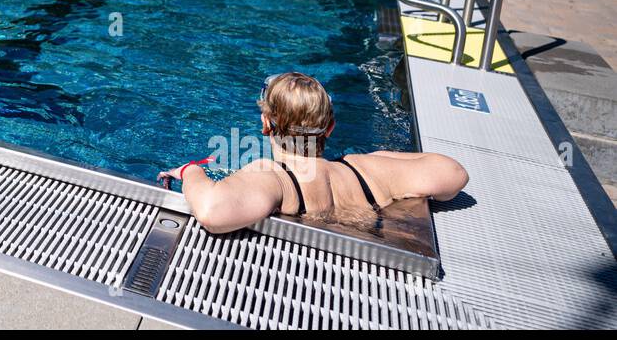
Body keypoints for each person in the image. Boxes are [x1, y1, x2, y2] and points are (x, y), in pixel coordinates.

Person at [157, 72, 468, 234]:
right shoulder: (366, 170)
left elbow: (213, 213)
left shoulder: (275, 177)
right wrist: (386, 156)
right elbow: (454, 174)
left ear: (266, 125)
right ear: (330, 128)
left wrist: (189, 172)